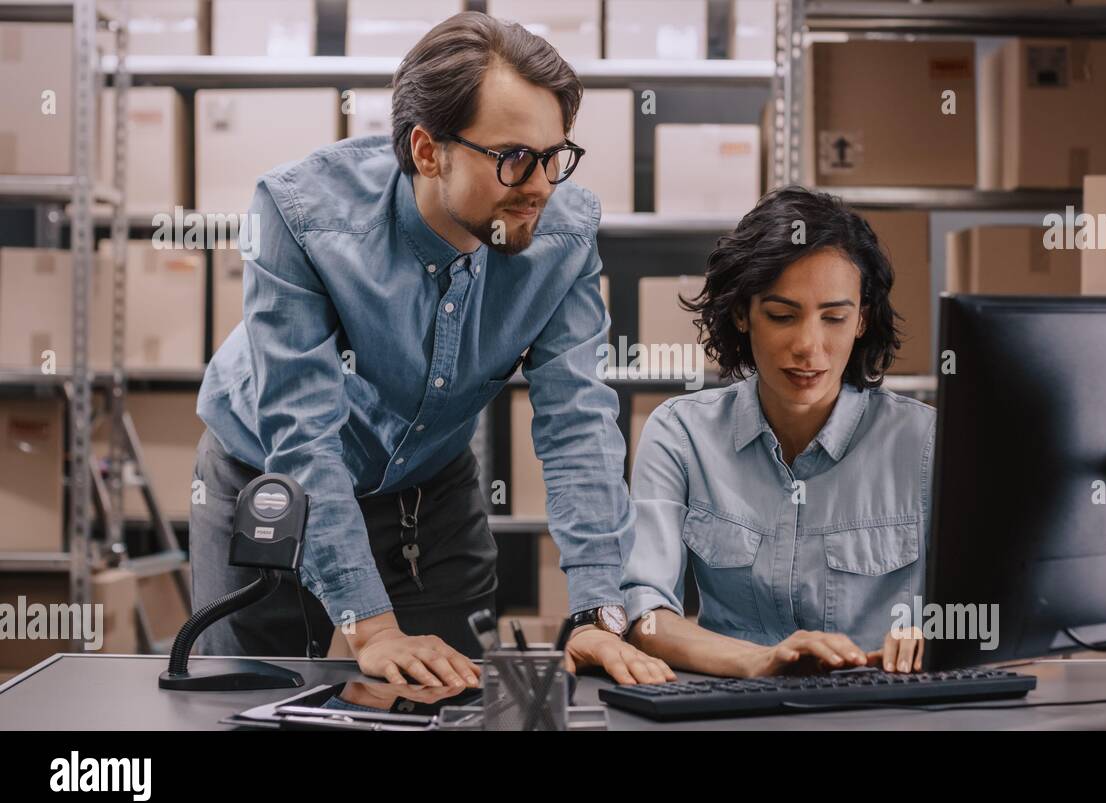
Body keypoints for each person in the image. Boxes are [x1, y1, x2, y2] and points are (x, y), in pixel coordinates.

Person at [191, 12, 672, 687]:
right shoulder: (303, 215)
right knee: (249, 693)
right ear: (427, 150)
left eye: (555, 154)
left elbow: (579, 424)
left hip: (429, 486)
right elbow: (300, 438)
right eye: (514, 158)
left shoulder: (563, 235)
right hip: (270, 477)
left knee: (456, 696)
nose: (540, 186)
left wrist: (600, 608)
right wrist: (373, 625)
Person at [622, 186, 933, 677]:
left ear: (861, 321)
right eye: (782, 315)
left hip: (884, 712)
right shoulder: (680, 434)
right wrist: (760, 660)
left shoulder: (924, 445)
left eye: (834, 317)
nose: (809, 346)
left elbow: (991, 606)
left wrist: (936, 630)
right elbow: (647, 618)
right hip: (734, 708)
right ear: (743, 313)